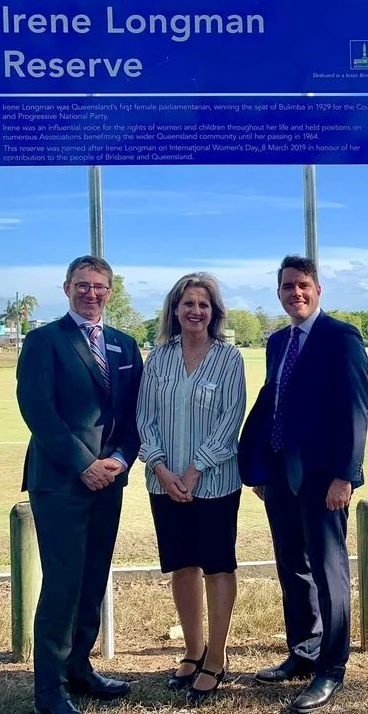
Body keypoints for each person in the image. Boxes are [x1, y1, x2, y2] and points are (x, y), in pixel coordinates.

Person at [238, 254, 368, 713]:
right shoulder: (277, 342)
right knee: (292, 567)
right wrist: (257, 469)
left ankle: (331, 668)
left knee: (329, 573)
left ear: (318, 290)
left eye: (304, 285)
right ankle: (303, 652)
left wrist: (345, 476)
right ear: (278, 292)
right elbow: (271, 402)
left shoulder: (341, 338)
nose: (296, 292)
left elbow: (356, 411)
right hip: (279, 478)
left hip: (323, 480)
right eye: (288, 286)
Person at [15, 255, 143, 714]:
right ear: (66, 288)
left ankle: (79, 669)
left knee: (92, 581)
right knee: (63, 584)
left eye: (100, 287)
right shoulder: (45, 341)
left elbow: (134, 416)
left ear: (111, 291)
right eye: (83, 285)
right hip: (61, 483)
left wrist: (120, 460)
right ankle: (49, 691)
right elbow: (38, 411)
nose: (92, 293)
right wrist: (83, 464)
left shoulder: (125, 346)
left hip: (110, 480)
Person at [136, 273, 246, 705]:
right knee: (182, 567)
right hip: (164, 485)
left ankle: (217, 658)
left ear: (213, 312)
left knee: (217, 566)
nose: (195, 311)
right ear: (174, 310)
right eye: (187, 304)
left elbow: (230, 418)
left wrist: (196, 469)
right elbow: (143, 417)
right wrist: (161, 468)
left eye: (203, 304)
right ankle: (192, 650)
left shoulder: (228, 358)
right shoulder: (158, 358)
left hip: (214, 483)